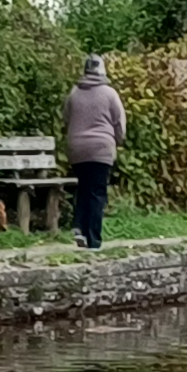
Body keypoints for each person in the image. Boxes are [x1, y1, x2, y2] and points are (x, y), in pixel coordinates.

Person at [63, 54, 126, 252]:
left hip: (77, 148)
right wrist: (118, 140)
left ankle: (79, 227)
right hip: (101, 148)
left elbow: (66, 119)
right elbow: (119, 123)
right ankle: (94, 240)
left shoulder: (74, 93)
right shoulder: (109, 93)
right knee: (97, 193)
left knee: (84, 188)